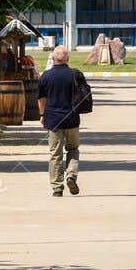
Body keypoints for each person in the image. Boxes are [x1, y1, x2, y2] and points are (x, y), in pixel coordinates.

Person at [36, 45, 93, 197]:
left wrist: (42, 115)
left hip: (53, 120)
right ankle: (71, 176)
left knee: (55, 154)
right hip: (72, 119)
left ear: (53, 59)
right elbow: (85, 92)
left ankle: (57, 188)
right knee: (73, 149)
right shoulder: (75, 74)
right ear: (68, 59)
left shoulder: (45, 76)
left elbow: (41, 99)